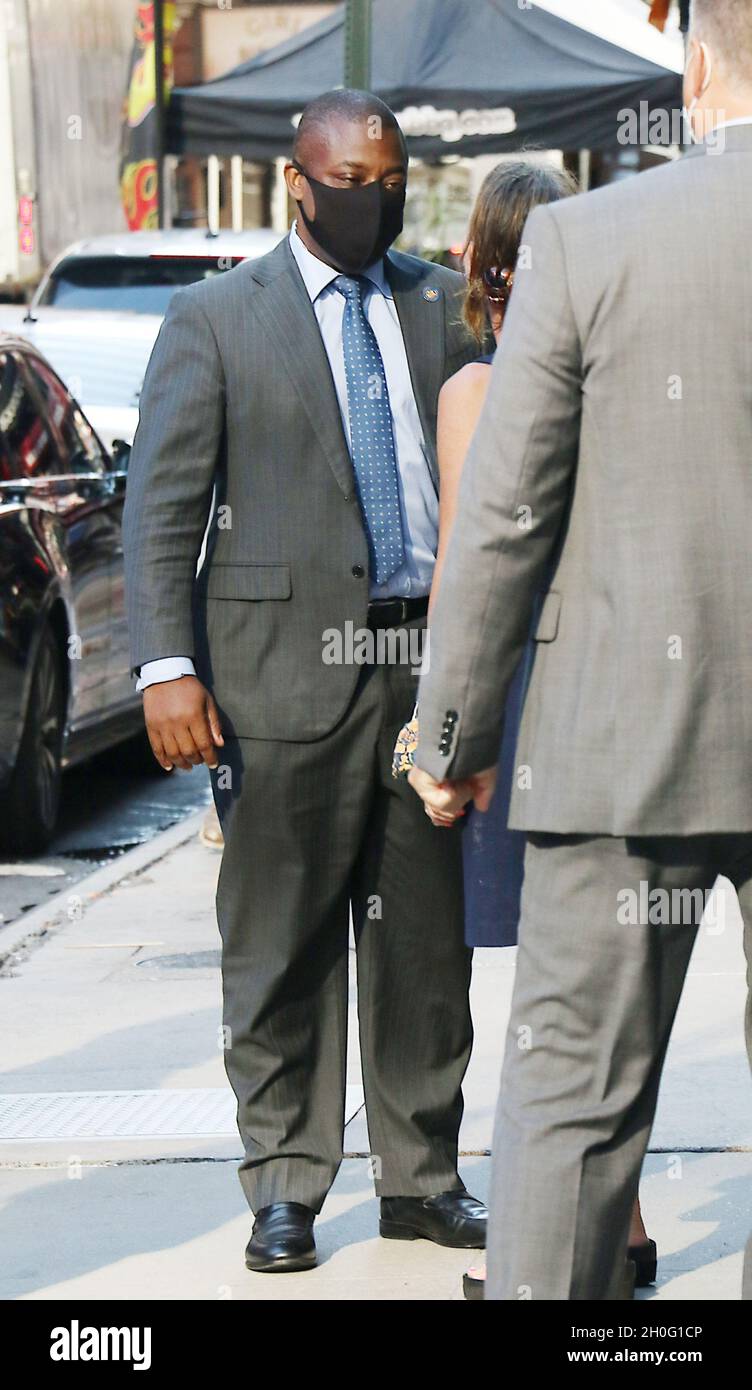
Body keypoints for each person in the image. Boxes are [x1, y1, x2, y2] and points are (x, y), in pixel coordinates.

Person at [409, 0, 752, 1301]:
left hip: (619, 742)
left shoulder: (588, 238)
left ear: (698, 64)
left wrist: (448, 737)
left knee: (571, 1111)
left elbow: (502, 517)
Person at [123, 89, 487, 1274]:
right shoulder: (217, 317)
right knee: (279, 945)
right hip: (274, 680)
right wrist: (166, 665)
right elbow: (162, 506)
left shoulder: (438, 303)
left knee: (423, 947)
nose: (372, 198)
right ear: (297, 182)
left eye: (390, 179)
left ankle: (421, 1177)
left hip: (415, 670)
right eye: (349, 182)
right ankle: (284, 1184)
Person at [396, 160, 654, 1299]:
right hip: (624, 692)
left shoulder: (478, 388)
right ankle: (625, 1228)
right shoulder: (627, 370)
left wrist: (439, 734)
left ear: (477, 266)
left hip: (520, 697)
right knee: (621, 984)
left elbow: (466, 567)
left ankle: (555, 1255)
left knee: (555, 1000)